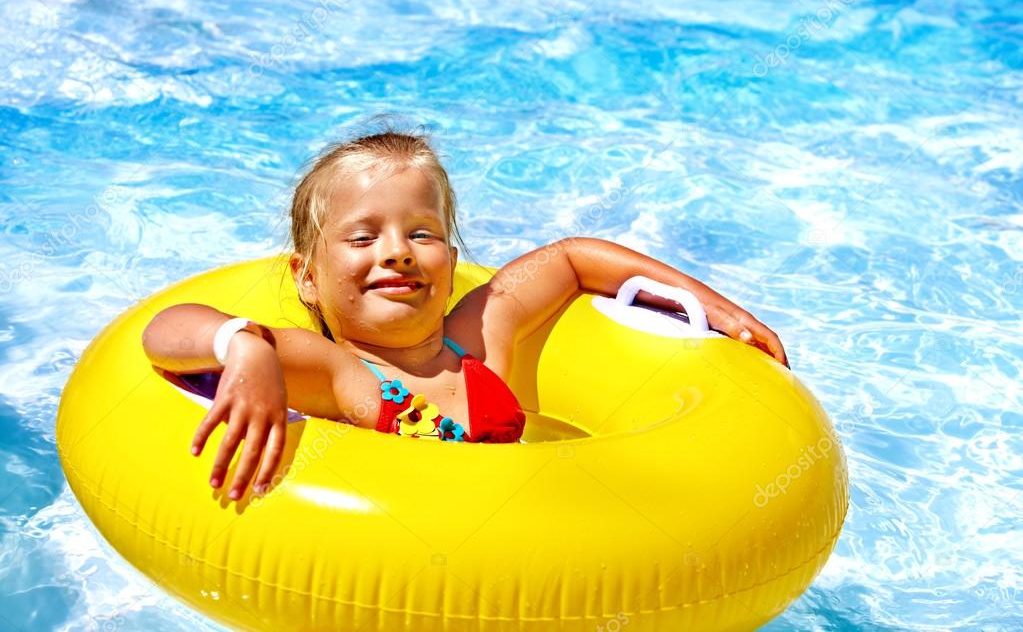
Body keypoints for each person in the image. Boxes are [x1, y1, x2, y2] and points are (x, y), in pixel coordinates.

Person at [142, 128, 788, 502]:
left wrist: (719, 309)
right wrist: (244, 346)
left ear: (451, 260)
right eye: (363, 239)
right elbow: (164, 331)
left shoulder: (479, 343)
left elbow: (569, 259)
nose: (396, 252)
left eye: (420, 234)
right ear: (306, 277)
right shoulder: (343, 375)